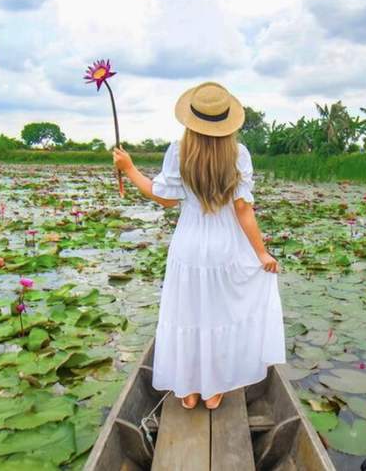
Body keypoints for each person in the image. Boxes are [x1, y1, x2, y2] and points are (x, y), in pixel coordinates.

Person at [113, 81, 286, 411]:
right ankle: (212, 391)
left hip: (188, 245)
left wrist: (130, 169)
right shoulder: (239, 154)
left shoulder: (179, 151)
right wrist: (261, 253)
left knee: (188, 313)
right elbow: (243, 209)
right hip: (225, 246)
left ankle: (189, 391)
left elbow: (164, 198)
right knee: (218, 314)